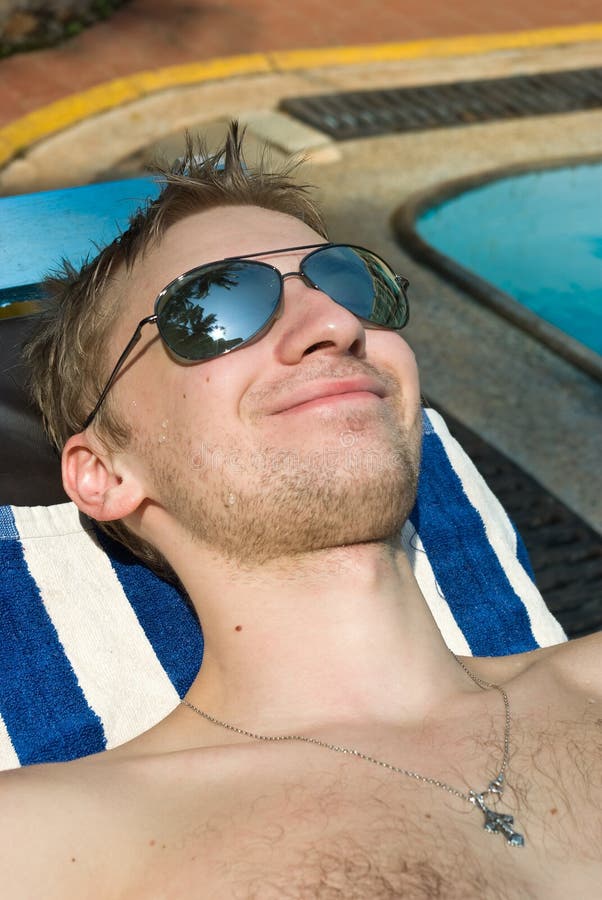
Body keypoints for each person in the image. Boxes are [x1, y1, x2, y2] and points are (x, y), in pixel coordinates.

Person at [2, 124, 600, 899]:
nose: (336, 325)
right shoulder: (53, 845)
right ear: (103, 474)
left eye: (352, 284)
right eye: (219, 305)